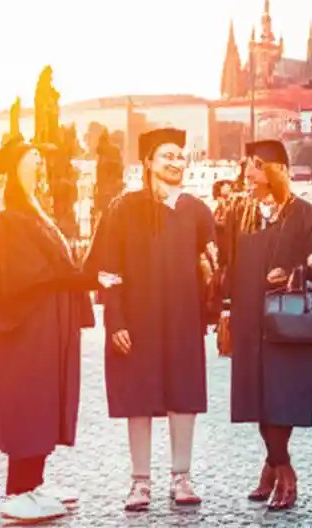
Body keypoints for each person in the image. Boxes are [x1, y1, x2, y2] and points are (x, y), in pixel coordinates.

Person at [89, 127, 217, 511]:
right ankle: (139, 482)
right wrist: (116, 320)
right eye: (167, 156)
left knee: (184, 395)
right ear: (148, 162)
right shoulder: (123, 209)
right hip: (137, 319)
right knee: (138, 397)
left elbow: (212, 267)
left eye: (180, 156)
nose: (176, 162)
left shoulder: (197, 210)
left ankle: (182, 476)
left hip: (183, 318)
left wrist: (213, 290)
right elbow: (107, 269)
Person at [0, 137, 95, 522]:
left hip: (47, 327)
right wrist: (78, 278)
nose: (40, 165)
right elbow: (25, 276)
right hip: (26, 332)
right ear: (15, 169)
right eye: (32, 159)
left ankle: (35, 484)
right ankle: (17, 490)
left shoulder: (34, 214)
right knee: (29, 405)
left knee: (45, 403)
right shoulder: (9, 220)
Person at [221, 140, 312, 511]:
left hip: (288, 322)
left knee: (282, 401)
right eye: (247, 166)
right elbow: (227, 264)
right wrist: (224, 308)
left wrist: (294, 271)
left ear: (276, 171)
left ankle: (280, 472)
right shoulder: (241, 212)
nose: (248, 174)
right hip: (251, 319)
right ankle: (278, 466)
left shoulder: (304, 214)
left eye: (255, 166)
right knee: (258, 399)